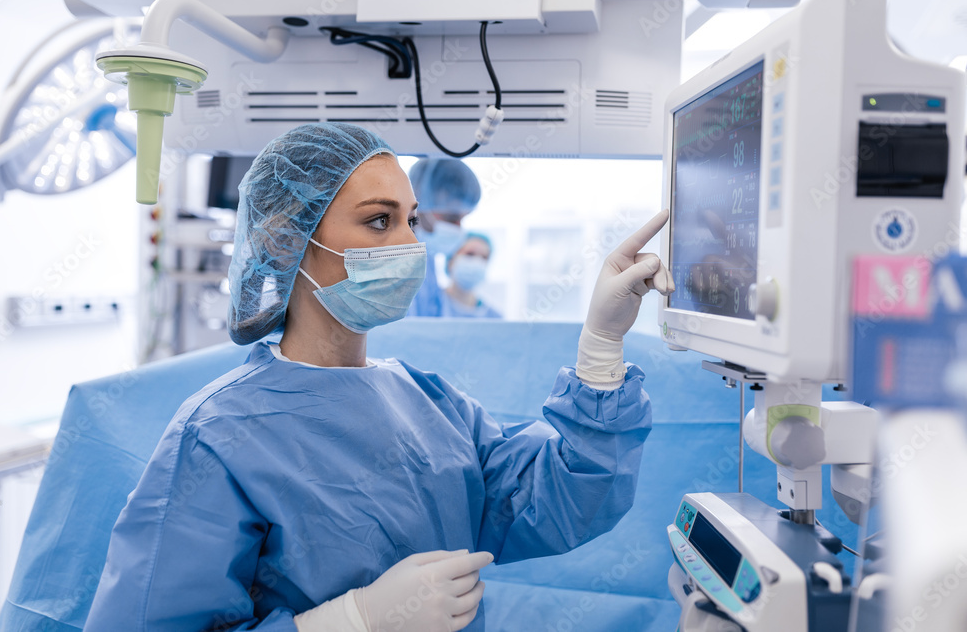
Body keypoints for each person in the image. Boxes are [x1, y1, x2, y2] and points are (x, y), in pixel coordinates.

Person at [84, 123, 673, 632]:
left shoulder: (430, 404)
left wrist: (601, 345)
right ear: (285, 240)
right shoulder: (219, 436)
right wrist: (351, 621)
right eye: (378, 221)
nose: (409, 245)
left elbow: (564, 501)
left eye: (411, 220)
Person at [406, 158, 482, 317]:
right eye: (451, 217)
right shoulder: (397, 260)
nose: (458, 228)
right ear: (418, 204)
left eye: (463, 218)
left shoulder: (425, 259)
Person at [439, 232, 501, 318]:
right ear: (451, 260)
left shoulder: (494, 318)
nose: (477, 262)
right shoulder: (430, 305)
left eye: (484, 257)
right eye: (470, 254)